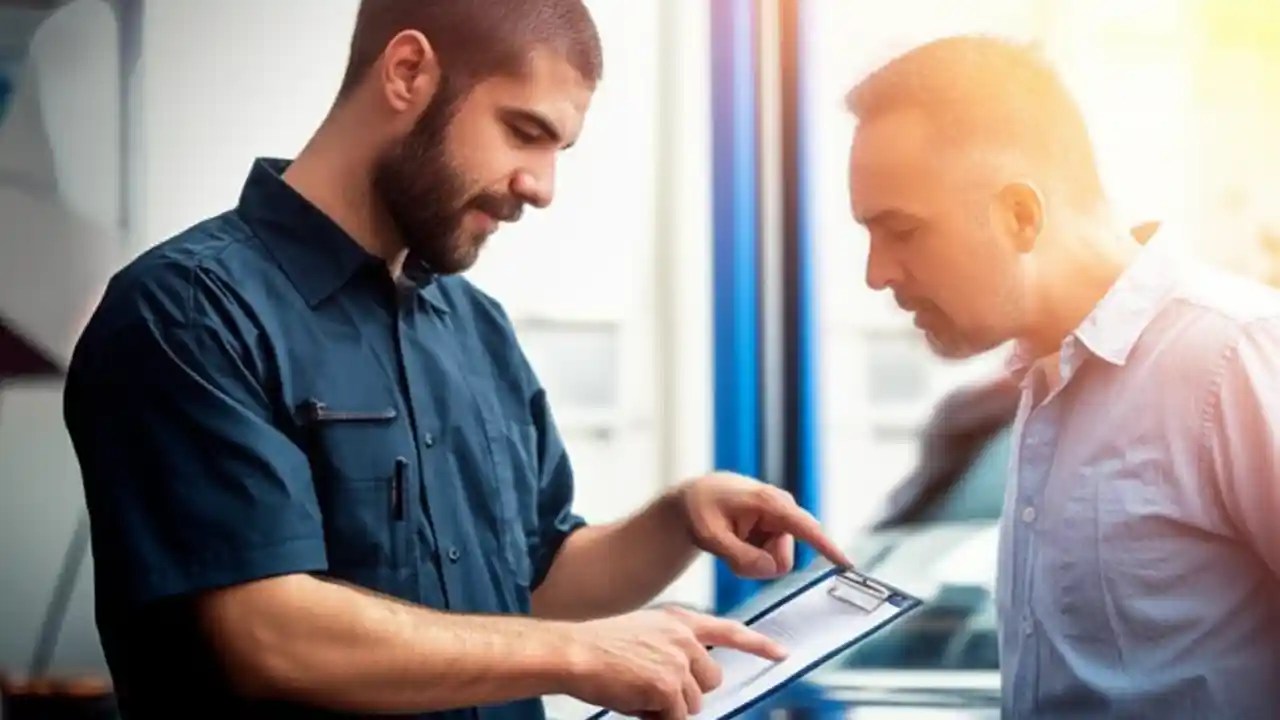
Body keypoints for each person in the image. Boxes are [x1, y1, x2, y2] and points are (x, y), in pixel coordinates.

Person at [61, 2, 850, 719]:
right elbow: (269, 633)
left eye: (559, 149)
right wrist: (583, 655)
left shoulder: (475, 327)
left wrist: (679, 517)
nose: (541, 188)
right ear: (408, 72)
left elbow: (536, 588)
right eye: (524, 131)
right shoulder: (189, 310)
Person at [845, 36, 1280, 717]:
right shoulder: (1043, 382)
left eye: (901, 231)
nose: (877, 274)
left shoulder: (1237, 355)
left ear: (1021, 215)